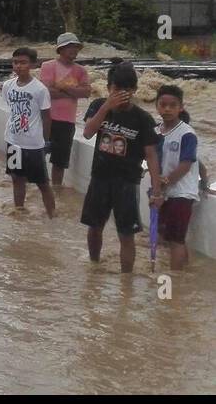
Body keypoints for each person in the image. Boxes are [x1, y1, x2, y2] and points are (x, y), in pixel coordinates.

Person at [81, 62, 162, 273]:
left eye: (126, 90)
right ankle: (94, 266)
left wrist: (157, 190)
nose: (121, 94)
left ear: (134, 90)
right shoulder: (98, 105)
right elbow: (88, 132)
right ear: (108, 88)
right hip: (99, 177)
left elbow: (152, 156)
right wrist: (106, 107)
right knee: (94, 226)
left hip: (127, 182)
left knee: (126, 234)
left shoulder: (143, 119)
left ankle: (127, 280)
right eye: (116, 89)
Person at [2, 47, 55, 217]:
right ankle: (19, 211)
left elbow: (46, 117)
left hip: (33, 145)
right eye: (15, 62)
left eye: (23, 62)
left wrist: (46, 141)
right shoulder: (7, 86)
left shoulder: (39, 89)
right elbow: (10, 108)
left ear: (33, 64)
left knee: (42, 183)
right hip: (13, 141)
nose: (19, 66)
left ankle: (52, 216)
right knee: (16, 178)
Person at [155, 85, 199, 270]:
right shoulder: (155, 131)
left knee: (176, 239)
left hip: (181, 193)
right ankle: (186, 271)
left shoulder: (187, 133)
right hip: (164, 192)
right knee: (166, 235)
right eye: (163, 105)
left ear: (181, 107)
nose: (167, 109)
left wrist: (164, 183)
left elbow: (186, 164)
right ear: (157, 106)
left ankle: (175, 281)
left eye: (172, 105)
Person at [37, 33, 90, 186]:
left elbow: (86, 92)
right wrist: (73, 90)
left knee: (60, 162)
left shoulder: (81, 71)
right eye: (70, 46)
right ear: (60, 49)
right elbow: (46, 92)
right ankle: (38, 187)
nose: (74, 50)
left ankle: (56, 191)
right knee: (37, 155)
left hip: (67, 122)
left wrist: (63, 87)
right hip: (47, 119)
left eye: (76, 47)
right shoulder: (48, 66)